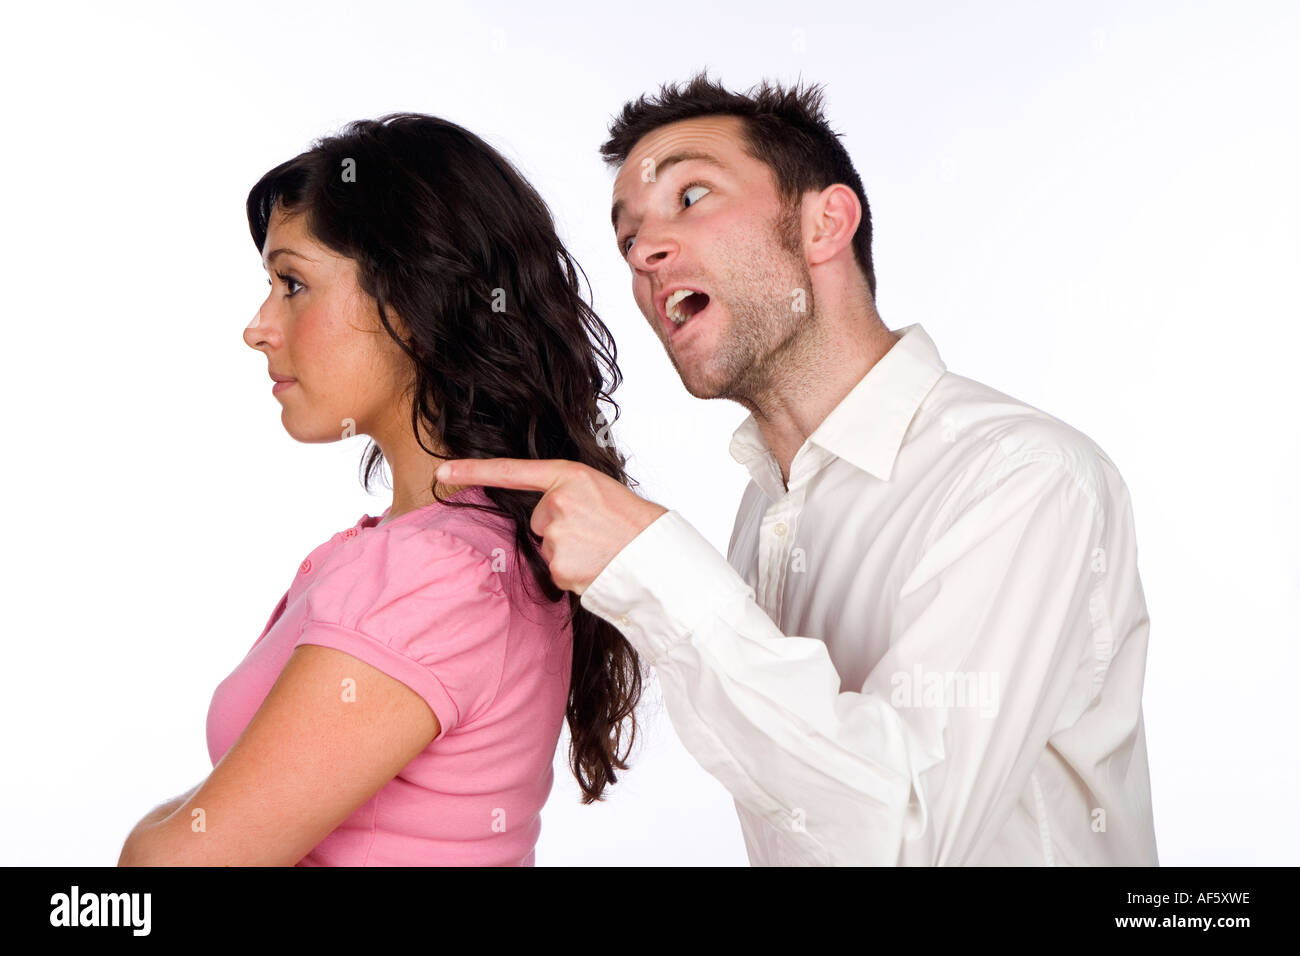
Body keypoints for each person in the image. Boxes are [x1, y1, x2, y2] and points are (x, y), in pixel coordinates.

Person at [439, 73, 1160, 865]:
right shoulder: (770, 507)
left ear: (826, 222)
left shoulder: (1021, 479)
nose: (644, 252)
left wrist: (654, 570)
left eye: (691, 197)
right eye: (626, 236)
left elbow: (903, 838)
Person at [117, 113, 643, 866]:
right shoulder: (473, 546)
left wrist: (154, 835)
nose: (259, 327)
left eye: (293, 283)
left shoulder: (434, 575)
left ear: (412, 308)